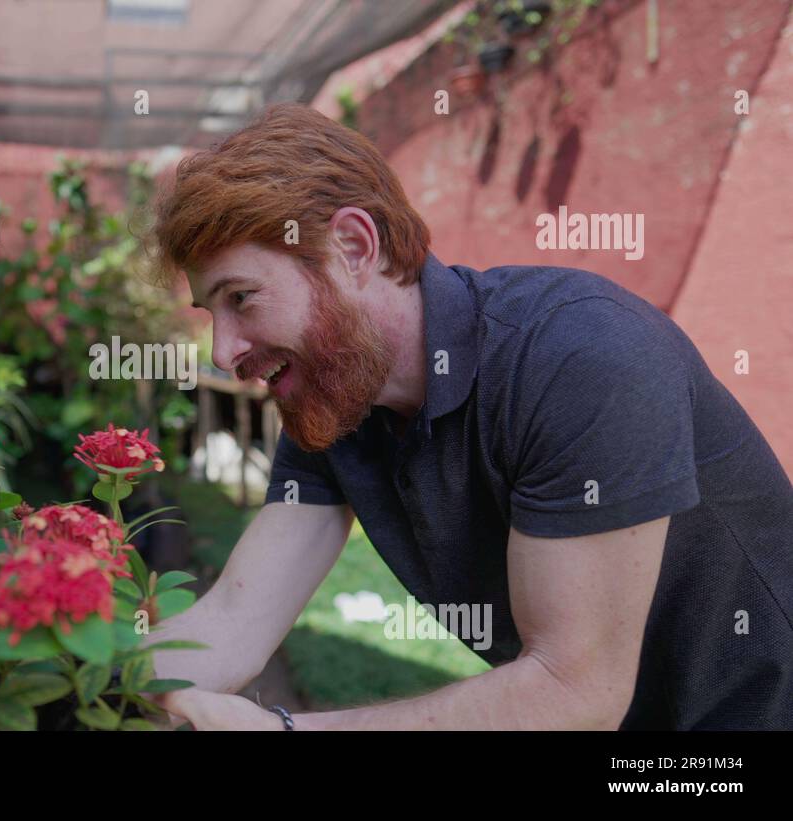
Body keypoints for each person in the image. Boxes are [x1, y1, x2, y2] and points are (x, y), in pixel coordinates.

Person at [139, 102, 793, 730]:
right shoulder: (335, 401)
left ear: (354, 247)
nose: (224, 351)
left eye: (241, 297)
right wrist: (85, 666)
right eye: (210, 312)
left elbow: (573, 693)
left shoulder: (581, 356)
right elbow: (232, 619)